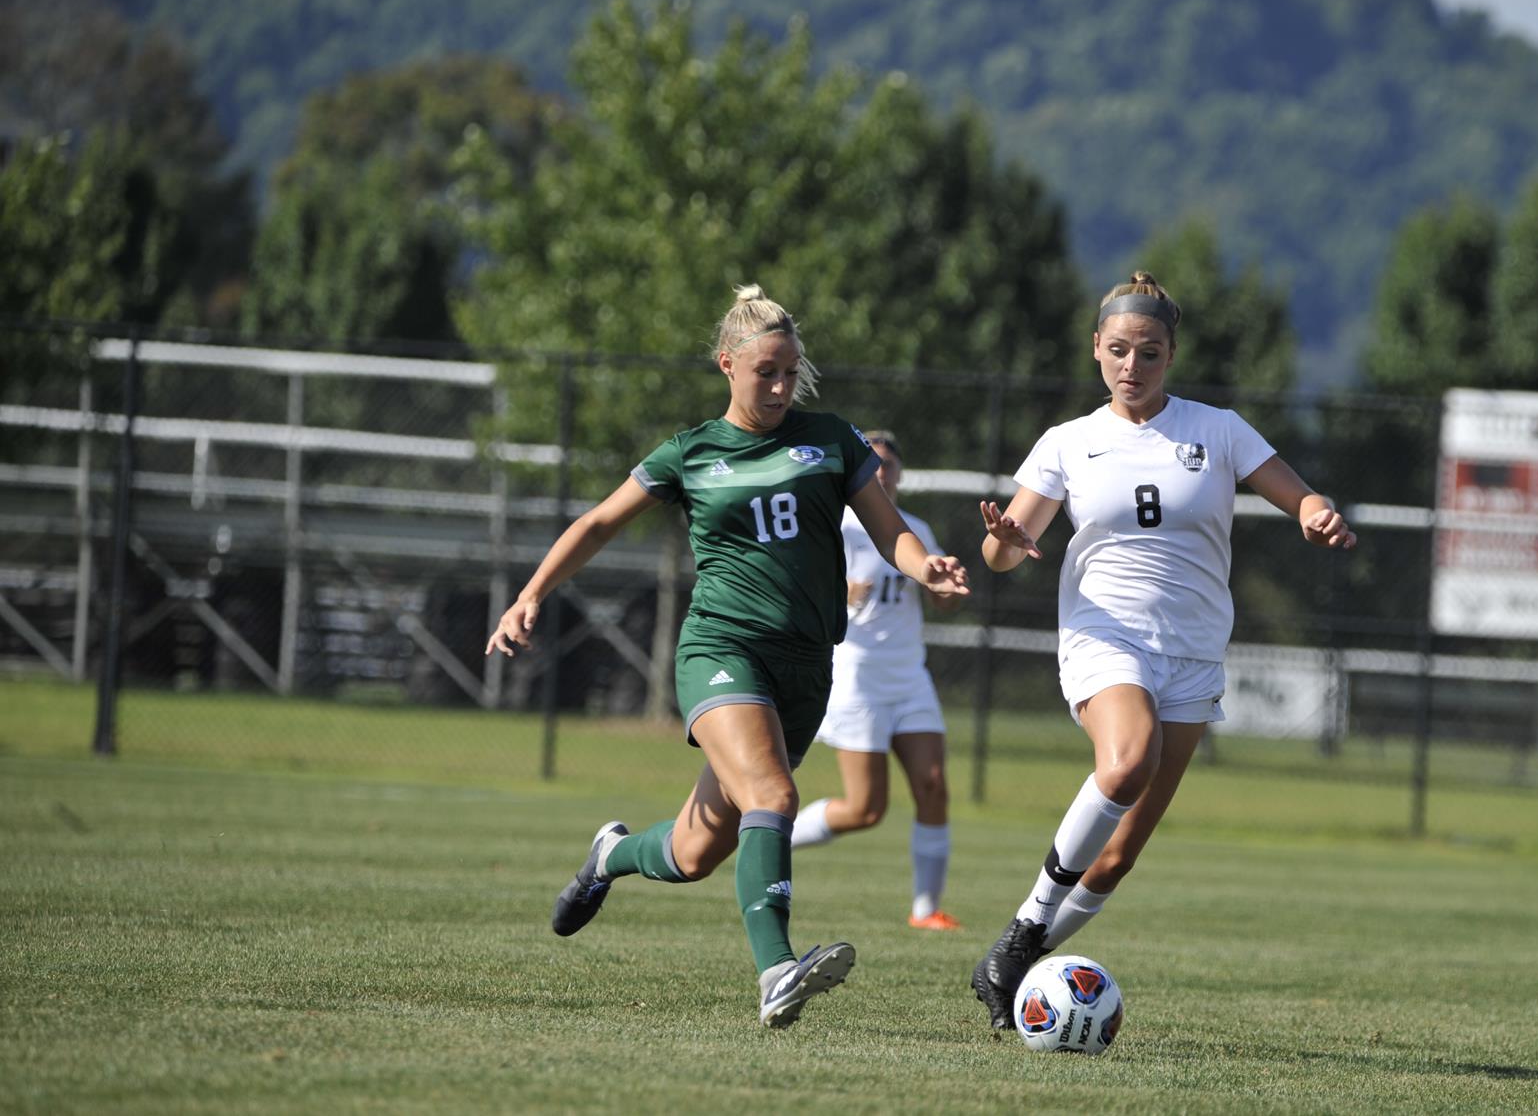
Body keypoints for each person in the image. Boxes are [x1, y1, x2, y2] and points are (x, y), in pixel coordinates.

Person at [485, 285, 970, 1030]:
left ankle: (609, 854)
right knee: (773, 797)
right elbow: (598, 522)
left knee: (693, 851)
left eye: (789, 372)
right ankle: (777, 970)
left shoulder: (832, 438)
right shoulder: (691, 451)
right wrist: (532, 593)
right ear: (727, 364)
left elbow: (890, 529)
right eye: (764, 372)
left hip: (806, 667)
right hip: (722, 649)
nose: (779, 387)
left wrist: (923, 564)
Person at [968, 271, 1357, 1031]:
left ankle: (1007, 969)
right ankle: (1024, 933)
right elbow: (1001, 554)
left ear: (1171, 353)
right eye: (1118, 350)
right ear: (1095, 350)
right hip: (1104, 634)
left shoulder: (1217, 429)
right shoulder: (1069, 443)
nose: (1131, 366)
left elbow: (1298, 492)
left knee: (1117, 858)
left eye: (1148, 352)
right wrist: (1005, 540)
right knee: (1127, 756)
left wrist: (1315, 512)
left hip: (1194, 653)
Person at [792, 429, 965, 931]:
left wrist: (949, 585)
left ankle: (925, 909)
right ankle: (772, 840)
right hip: (859, 678)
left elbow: (939, 598)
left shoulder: (914, 528)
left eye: (890, 463)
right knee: (866, 809)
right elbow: (795, 589)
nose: (882, 471)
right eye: (873, 463)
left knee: (933, 787)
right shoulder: (834, 527)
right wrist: (835, 591)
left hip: (909, 677)